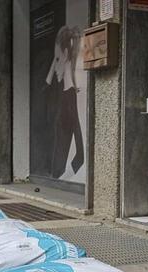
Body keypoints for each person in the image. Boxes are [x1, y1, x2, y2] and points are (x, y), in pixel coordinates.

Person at [45, 26, 85, 178]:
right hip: (67, 97)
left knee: (67, 135)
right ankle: (59, 174)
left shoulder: (75, 93)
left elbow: (81, 154)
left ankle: (60, 174)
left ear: (66, 53)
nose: (55, 66)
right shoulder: (66, 91)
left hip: (69, 98)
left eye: (57, 59)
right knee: (63, 136)